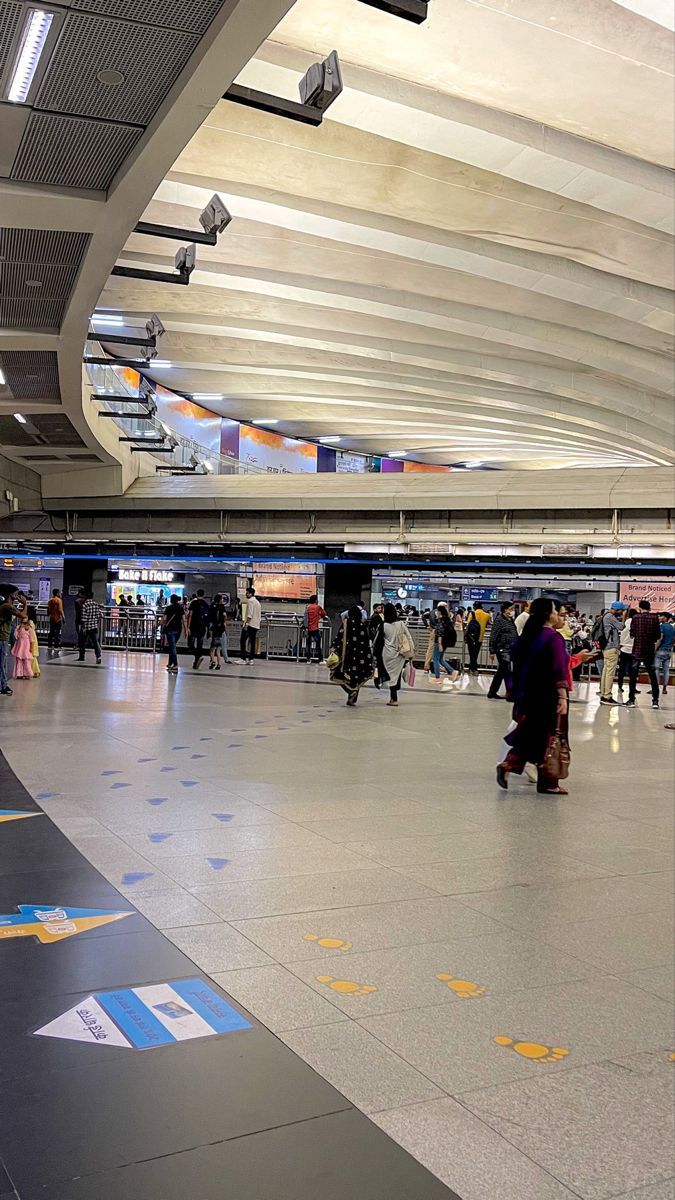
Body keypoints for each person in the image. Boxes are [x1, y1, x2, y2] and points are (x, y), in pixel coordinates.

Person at [497, 597, 570, 795]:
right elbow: (559, 668)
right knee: (551, 735)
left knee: (530, 732)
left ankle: (509, 764)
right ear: (548, 614)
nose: (558, 615)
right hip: (548, 694)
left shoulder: (527, 637)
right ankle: (548, 781)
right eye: (556, 611)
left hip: (527, 694)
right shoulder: (553, 638)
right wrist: (563, 696)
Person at [329, 605, 374, 705]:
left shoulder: (346, 623)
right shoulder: (362, 625)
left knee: (337, 675)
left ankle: (350, 691)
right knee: (357, 678)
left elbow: (340, 637)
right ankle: (352, 698)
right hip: (361, 657)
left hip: (347, 656)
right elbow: (366, 642)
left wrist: (334, 647)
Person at [626, 599, 660, 709]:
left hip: (637, 649)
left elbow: (632, 633)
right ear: (649, 608)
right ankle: (655, 700)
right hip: (649, 650)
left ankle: (631, 699)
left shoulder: (635, 618)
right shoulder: (654, 618)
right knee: (652, 675)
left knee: (633, 675)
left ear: (639, 608)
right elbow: (657, 635)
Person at [382, 602, 414, 707]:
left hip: (387, 653)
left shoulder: (384, 625)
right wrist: (411, 652)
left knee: (391, 676)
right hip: (400, 653)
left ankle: (393, 698)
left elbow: (380, 640)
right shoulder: (401, 624)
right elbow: (409, 637)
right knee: (396, 675)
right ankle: (394, 697)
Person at [599, 601, 627, 704]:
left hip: (606, 647)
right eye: (621, 610)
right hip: (611, 648)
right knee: (610, 673)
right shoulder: (610, 616)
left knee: (606, 672)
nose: (622, 612)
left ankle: (603, 693)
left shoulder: (606, 615)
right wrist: (624, 617)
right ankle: (607, 696)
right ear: (617, 610)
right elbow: (621, 627)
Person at [488, 601, 517, 699]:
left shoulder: (510, 620)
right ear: (505, 610)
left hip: (510, 649)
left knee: (501, 671)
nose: (513, 611)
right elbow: (493, 635)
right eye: (511, 609)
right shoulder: (499, 620)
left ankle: (492, 691)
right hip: (502, 649)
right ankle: (510, 693)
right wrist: (491, 650)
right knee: (507, 671)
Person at [432, 602, 460, 687]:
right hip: (445, 643)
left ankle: (437, 678)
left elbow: (440, 633)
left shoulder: (441, 621)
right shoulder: (447, 620)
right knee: (440, 659)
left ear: (440, 612)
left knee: (435, 659)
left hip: (439, 642)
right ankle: (452, 671)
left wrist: (439, 644)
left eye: (437, 611)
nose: (436, 613)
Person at [0, 591, 22, 696]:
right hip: (2, 637)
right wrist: (25, 604)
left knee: (2, 662)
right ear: (9, 595)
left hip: (4, 637)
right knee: (2, 663)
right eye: (15, 593)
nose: (17, 596)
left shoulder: (7, 605)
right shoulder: (7, 606)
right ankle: (2, 686)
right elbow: (23, 615)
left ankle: (2, 684)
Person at [186, 588, 210, 670]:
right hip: (202, 627)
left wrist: (188, 627)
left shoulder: (194, 603)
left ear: (197, 594)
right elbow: (208, 618)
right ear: (203, 595)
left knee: (190, 645)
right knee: (200, 644)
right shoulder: (206, 604)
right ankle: (196, 660)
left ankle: (197, 656)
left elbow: (190, 615)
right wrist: (208, 629)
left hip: (193, 626)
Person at [78, 590, 102, 664]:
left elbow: (83, 618)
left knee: (82, 642)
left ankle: (81, 657)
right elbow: (99, 616)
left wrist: (83, 628)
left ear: (85, 596)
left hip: (86, 627)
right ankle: (98, 656)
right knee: (95, 642)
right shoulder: (96, 604)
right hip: (94, 627)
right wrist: (95, 623)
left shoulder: (85, 605)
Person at [162, 593, 184, 674]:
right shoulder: (180, 608)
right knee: (172, 645)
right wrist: (186, 629)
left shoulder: (168, 608)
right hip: (178, 629)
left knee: (172, 646)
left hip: (170, 629)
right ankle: (170, 663)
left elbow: (164, 619)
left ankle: (175, 664)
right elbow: (184, 619)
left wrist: (160, 625)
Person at [617, 607, 637, 696]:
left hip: (623, 649)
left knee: (621, 669)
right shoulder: (637, 623)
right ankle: (633, 688)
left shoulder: (624, 623)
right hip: (633, 649)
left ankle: (620, 686)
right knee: (633, 670)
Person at [369, 603, 389, 689]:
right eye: (379, 608)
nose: (380, 609)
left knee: (378, 663)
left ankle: (379, 680)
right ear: (374, 609)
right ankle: (379, 680)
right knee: (380, 663)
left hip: (376, 643)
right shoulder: (376, 618)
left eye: (381, 608)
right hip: (378, 644)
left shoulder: (376, 617)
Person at [655, 612, 674, 697]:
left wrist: (655, 649)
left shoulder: (661, 626)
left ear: (665, 618)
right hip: (669, 651)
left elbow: (660, 638)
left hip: (661, 650)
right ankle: (664, 689)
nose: (659, 617)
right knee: (666, 670)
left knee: (656, 670)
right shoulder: (672, 627)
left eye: (661, 616)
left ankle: (655, 688)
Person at [208, 593, 229, 670]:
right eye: (222, 599)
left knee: (212, 648)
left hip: (214, 628)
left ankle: (212, 661)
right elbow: (224, 615)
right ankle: (219, 664)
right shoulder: (222, 607)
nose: (223, 600)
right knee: (219, 648)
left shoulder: (211, 606)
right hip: (221, 629)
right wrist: (224, 622)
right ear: (220, 599)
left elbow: (209, 617)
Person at [240, 587, 261, 664]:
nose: (246, 594)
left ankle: (243, 658)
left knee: (243, 641)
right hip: (255, 625)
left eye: (247, 593)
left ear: (250, 593)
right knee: (252, 642)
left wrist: (246, 624)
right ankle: (251, 659)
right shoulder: (257, 602)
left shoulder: (250, 601)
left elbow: (250, 615)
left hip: (250, 625)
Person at [304, 594, 327, 663]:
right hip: (315, 628)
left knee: (308, 644)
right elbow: (324, 614)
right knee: (318, 644)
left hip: (308, 628)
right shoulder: (318, 607)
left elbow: (305, 617)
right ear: (316, 600)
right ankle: (320, 659)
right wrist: (319, 617)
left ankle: (308, 659)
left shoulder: (307, 607)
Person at [11, 614, 33, 680]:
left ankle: (27, 673)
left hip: (26, 645)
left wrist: (31, 647)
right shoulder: (18, 627)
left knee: (26, 659)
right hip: (19, 644)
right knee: (19, 659)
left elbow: (31, 639)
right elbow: (15, 635)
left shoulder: (29, 628)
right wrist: (18, 633)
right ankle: (19, 673)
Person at [47, 588, 64, 654]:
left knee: (51, 631)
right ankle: (56, 645)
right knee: (57, 632)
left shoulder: (50, 600)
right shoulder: (59, 600)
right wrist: (63, 618)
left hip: (52, 618)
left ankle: (50, 645)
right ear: (57, 593)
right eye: (59, 592)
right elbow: (60, 610)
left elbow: (48, 610)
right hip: (58, 618)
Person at [465, 608, 481, 674]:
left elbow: (467, 630)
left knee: (471, 654)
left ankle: (472, 668)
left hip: (470, 640)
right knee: (475, 654)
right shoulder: (478, 623)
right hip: (478, 639)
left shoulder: (470, 621)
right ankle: (474, 669)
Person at [422, 605, 438, 674]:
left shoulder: (431, 612)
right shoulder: (439, 612)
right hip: (437, 631)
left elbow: (423, 616)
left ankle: (427, 667)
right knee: (437, 649)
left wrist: (427, 626)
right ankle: (436, 667)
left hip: (433, 631)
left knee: (431, 649)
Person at [27, 604, 40, 677]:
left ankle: (36, 671)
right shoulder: (32, 621)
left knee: (32, 657)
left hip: (31, 641)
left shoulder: (30, 622)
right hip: (33, 640)